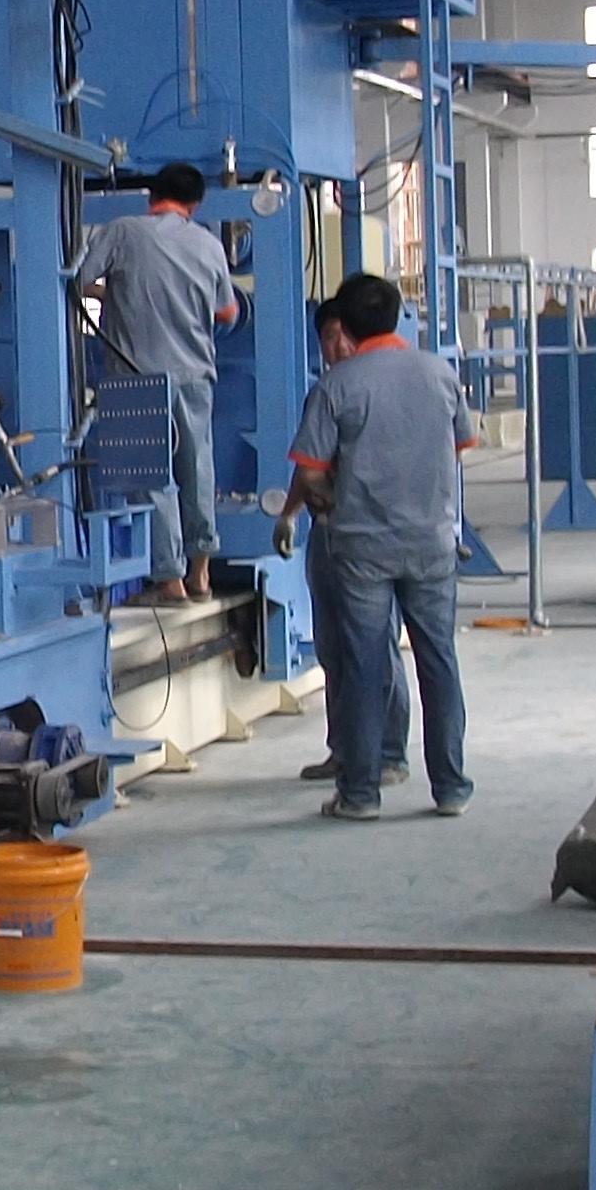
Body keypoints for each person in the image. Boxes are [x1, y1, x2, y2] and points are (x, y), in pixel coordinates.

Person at [278, 271, 477, 821]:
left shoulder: (337, 386)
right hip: (432, 543)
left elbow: (310, 470)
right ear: (396, 318)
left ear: (347, 324)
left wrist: (326, 501)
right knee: (439, 662)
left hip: (363, 549)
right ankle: (451, 788)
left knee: (364, 666)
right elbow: (462, 444)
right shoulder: (441, 374)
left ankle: (361, 794)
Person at [74, 162, 238, 604]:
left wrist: (112, 293)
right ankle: (201, 573)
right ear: (195, 204)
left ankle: (169, 580)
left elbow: (76, 279)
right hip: (195, 375)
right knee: (197, 469)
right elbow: (228, 313)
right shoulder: (208, 244)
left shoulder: (123, 231)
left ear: (151, 196)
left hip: (136, 379)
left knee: (153, 476)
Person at [275, 300, 411, 798]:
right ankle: (347, 749)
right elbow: (309, 463)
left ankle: (390, 753)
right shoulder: (325, 393)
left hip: (372, 536)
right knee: (333, 647)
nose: (337, 346)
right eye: (328, 337)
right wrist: (289, 514)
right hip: (328, 535)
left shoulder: (384, 391)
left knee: (376, 645)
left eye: (343, 335)